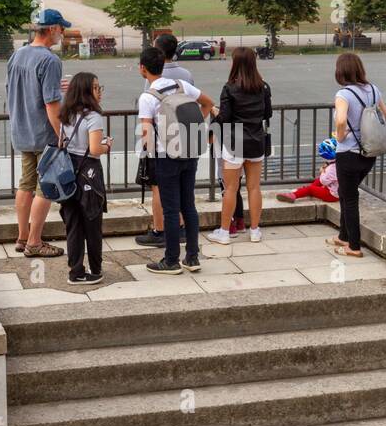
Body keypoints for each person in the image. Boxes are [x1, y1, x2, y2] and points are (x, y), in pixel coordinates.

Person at [137, 46, 214, 274]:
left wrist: (149, 154)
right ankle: (192, 257)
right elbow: (208, 103)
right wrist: (191, 130)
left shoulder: (148, 97)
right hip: (189, 152)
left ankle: (171, 260)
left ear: (143, 69)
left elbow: (145, 132)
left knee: (171, 210)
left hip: (166, 156)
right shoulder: (183, 86)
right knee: (188, 205)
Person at [331, 53, 386, 258]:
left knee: (349, 197)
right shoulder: (372, 89)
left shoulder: (343, 95)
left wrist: (341, 137)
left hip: (349, 153)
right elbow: (385, 113)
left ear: (340, 71)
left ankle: (353, 246)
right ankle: (343, 236)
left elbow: (341, 120)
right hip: (369, 153)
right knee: (345, 193)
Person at [5, 21, 65, 257]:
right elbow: (50, 103)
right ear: (52, 30)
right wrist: (62, 134)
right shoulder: (50, 60)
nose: (63, 33)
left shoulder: (17, 55)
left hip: (22, 130)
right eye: (61, 29)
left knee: (26, 183)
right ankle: (35, 242)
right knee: (46, 187)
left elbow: (13, 90)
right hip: (43, 133)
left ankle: (22, 237)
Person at [135, 33, 195, 248]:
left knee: (160, 190)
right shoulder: (185, 76)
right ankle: (189, 247)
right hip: (186, 140)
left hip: (163, 145)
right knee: (187, 201)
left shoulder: (151, 88)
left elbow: (147, 122)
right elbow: (197, 104)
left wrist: (148, 151)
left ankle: (162, 233)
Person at [207, 47, 271, 245]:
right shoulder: (264, 87)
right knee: (254, 188)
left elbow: (225, 117)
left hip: (235, 142)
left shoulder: (230, 87)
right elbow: (267, 114)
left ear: (235, 63)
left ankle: (225, 232)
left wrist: (214, 115)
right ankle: (255, 230)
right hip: (256, 140)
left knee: (231, 189)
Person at [56, 72, 111, 284]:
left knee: (73, 225)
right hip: (89, 174)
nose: (99, 92)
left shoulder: (66, 114)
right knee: (93, 224)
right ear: (86, 91)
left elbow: (61, 143)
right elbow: (95, 149)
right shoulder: (93, 117)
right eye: (96, 88)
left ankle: (76, 271)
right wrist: (108, 145)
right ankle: (96, 269)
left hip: (69, 174)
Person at [277, 137, 339, 203]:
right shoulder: (341, 162)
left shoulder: (331, 169)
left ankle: (294, 195)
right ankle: (304, 190)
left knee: (311, 189)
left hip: (332, 195)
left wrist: (322, 172)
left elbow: (323, 181)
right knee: (318, 182)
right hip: (341, 191)